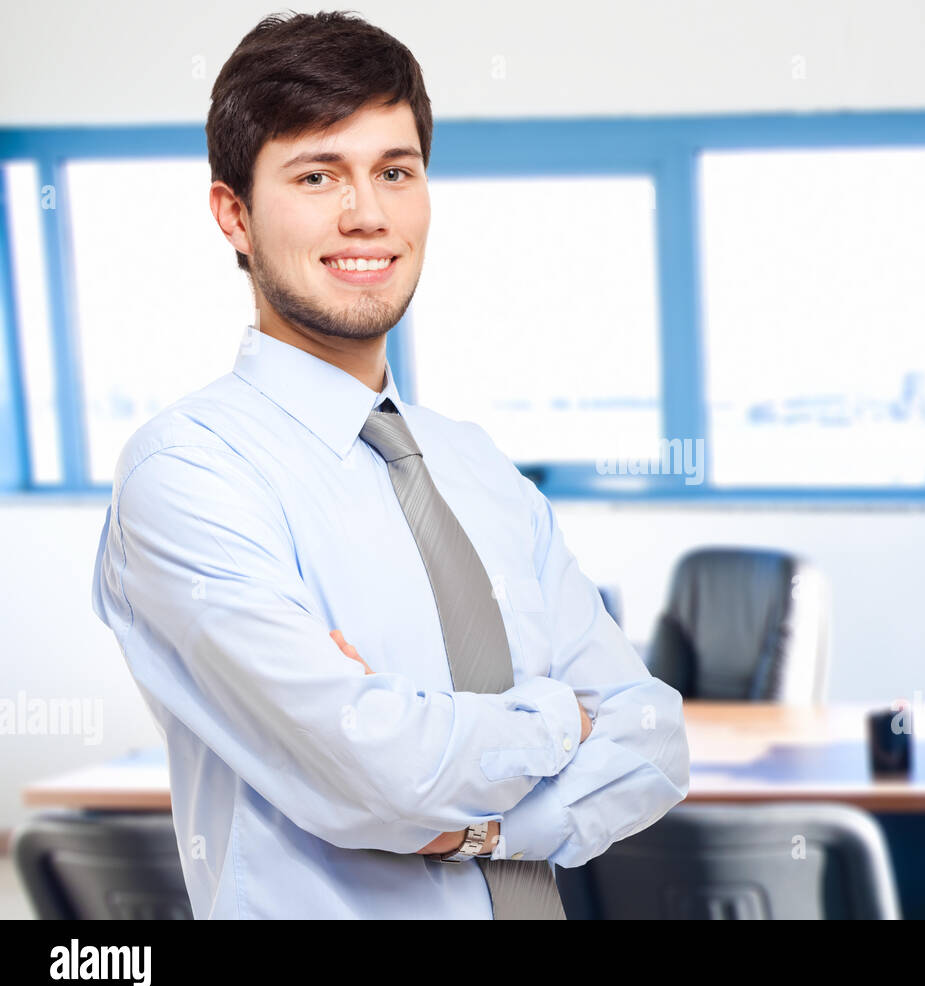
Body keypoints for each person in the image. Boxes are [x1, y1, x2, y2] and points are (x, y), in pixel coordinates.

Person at [90, 10, 689, 919]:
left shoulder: (476, 468)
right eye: (317, 173)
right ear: (234, 214)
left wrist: (477, 818)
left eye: (395, 171)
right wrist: (561, 715)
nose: (367, 213)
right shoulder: (186, 475)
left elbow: (653, 742)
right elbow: (382, 775)